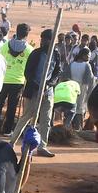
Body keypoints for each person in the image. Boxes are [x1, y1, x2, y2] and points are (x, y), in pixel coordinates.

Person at [21, 28, 61, 157]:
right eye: (42, 39)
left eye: (47, 40)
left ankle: (42, 146)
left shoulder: (56, 54)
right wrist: (38, 86)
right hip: (33, 91)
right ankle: (12, 142)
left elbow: (57, 73)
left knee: (46, 119)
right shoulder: (36, 54)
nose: (43, 42)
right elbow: (28, 73)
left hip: (48, 92)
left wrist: (49, 85)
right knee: (26, 117)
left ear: (52, 41)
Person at [0, 24, 32, 135]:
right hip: (18, 81)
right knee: (12, 107)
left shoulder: (5, 46)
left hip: (3, 79)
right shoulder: (29, 50)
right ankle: (7, 130)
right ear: (27, 34)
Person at [69, 47, 97, 127]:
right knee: (79, 108)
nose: (89, 58)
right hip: (82, 88)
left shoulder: (71, 64)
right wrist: (90, 92)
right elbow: (91, 81)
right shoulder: (87, 65)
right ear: (83, 55)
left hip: (71, 88)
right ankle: (78, 127)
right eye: (88, 56)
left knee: (72, 106)